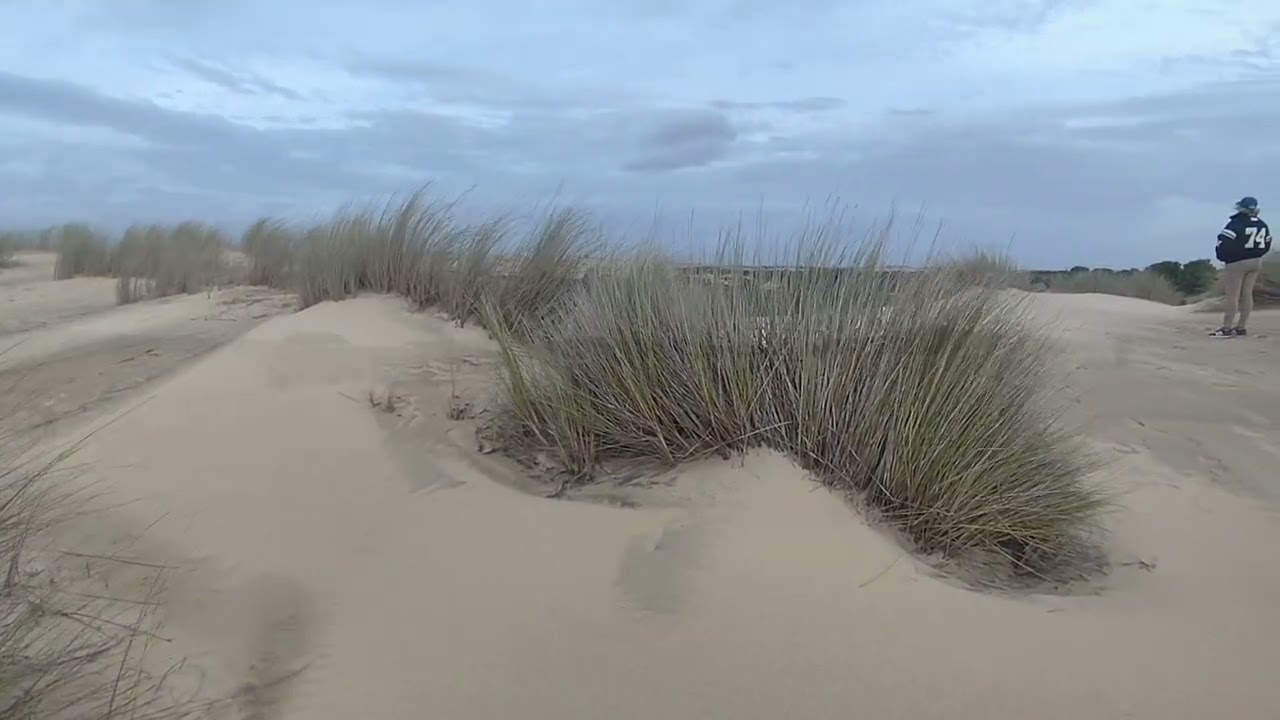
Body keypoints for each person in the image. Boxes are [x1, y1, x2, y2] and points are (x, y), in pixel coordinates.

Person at [1211, 196, 1271, 337]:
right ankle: (1241, 327)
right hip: (1255, 262)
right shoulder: (1262, 224)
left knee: (1233, 295)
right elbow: (1267, 243)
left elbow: (1224, 241)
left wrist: (1226, 257)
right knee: (1247, 295)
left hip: (1237, 263)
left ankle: (1226, 328)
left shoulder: (1236, 223)